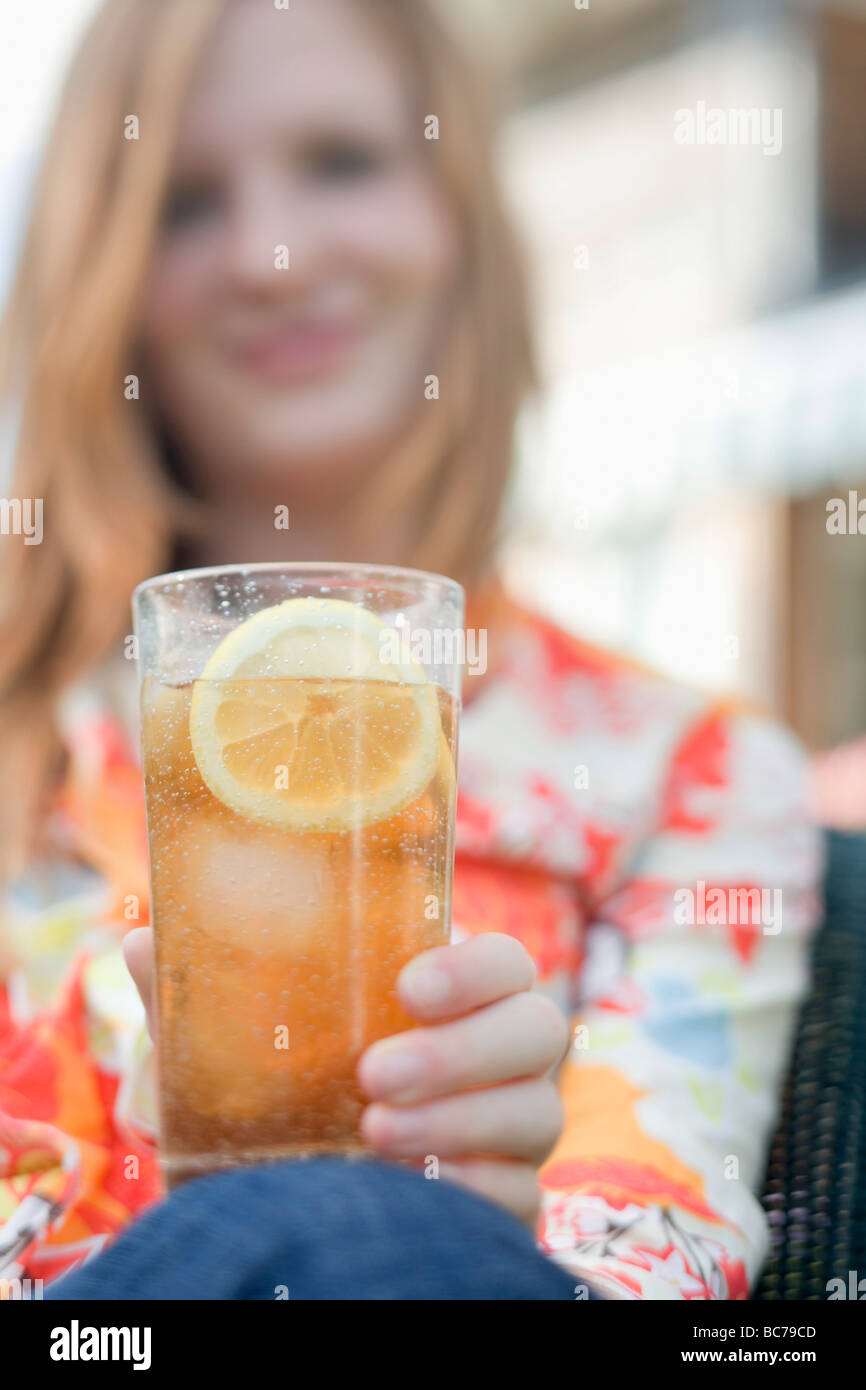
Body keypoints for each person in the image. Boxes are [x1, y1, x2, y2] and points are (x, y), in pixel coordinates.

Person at [0, 0, 822, 1301]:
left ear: (460, 226)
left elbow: (649, 1261)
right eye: (184, 200)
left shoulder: (692, 775)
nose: (271, 257)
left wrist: (478, 1222)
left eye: (341, 161)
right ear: (102, 278)